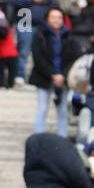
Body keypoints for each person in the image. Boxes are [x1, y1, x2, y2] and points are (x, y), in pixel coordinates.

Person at [31, 8, 73, 136]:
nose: (56, 20)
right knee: (42, 108)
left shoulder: (68, 36)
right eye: (53, 17)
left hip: (63, 78)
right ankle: (38, 136)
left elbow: (73, 57)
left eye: (59, 17)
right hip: (44, 77)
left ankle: (62, 137)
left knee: (63, 111)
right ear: (47, 19)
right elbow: (38, 58)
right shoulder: (40, 35)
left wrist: (63, 75)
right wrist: (52, 75)